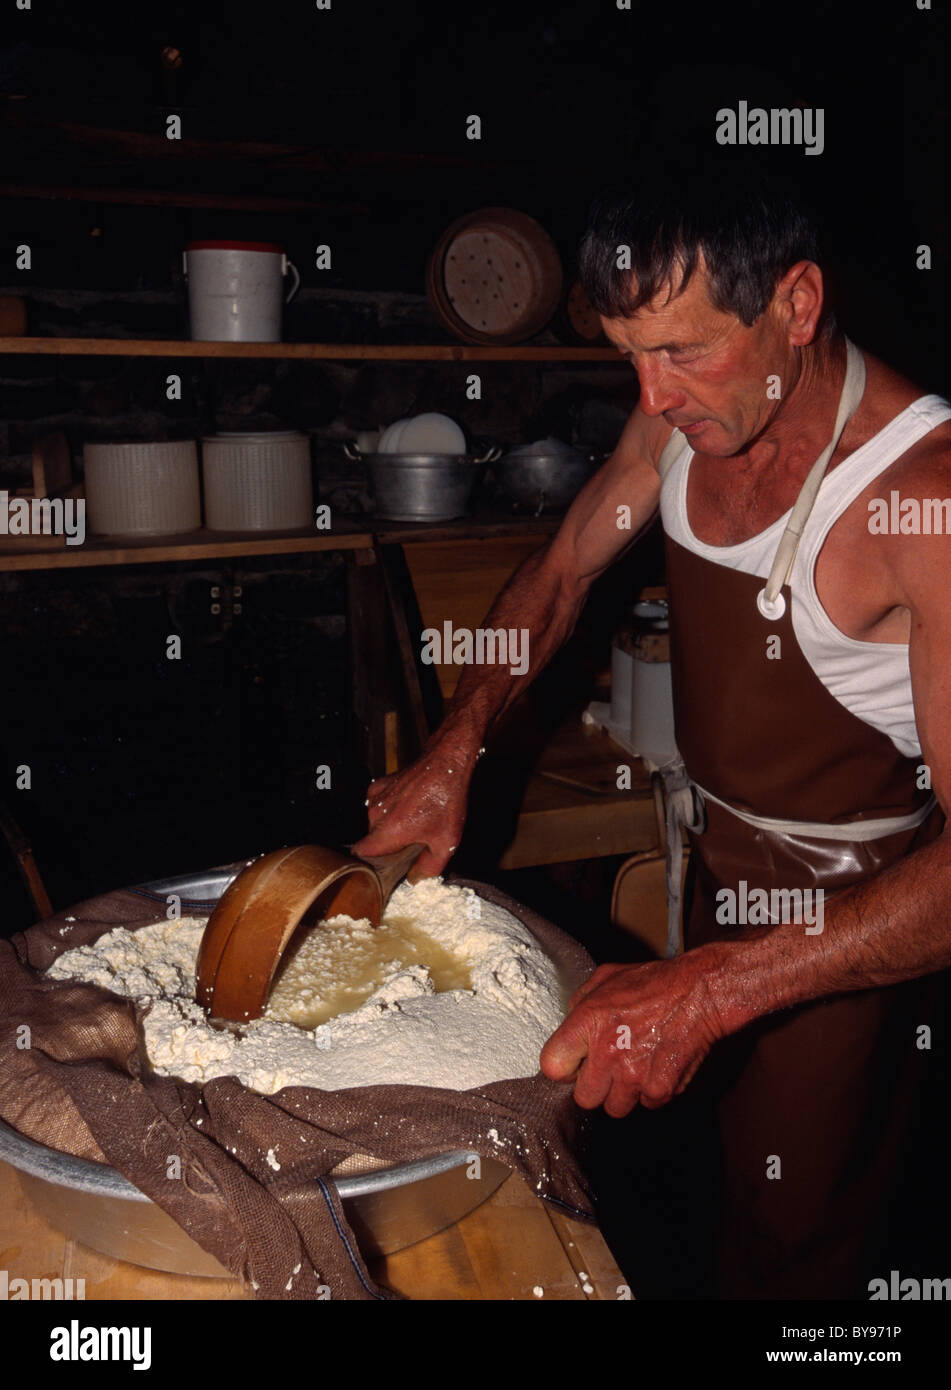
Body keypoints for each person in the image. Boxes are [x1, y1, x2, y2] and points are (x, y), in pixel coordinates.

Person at [353, 166, 951, 1297]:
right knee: (708, 1185)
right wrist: (457, 740)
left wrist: (715, 990)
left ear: (799, 304)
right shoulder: (682, 408)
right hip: (712, 863)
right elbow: (565, 570)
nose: (651, 391)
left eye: (681, 350)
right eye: (629, 352)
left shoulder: (921, 499)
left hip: (855, 915)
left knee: (800, 1241)